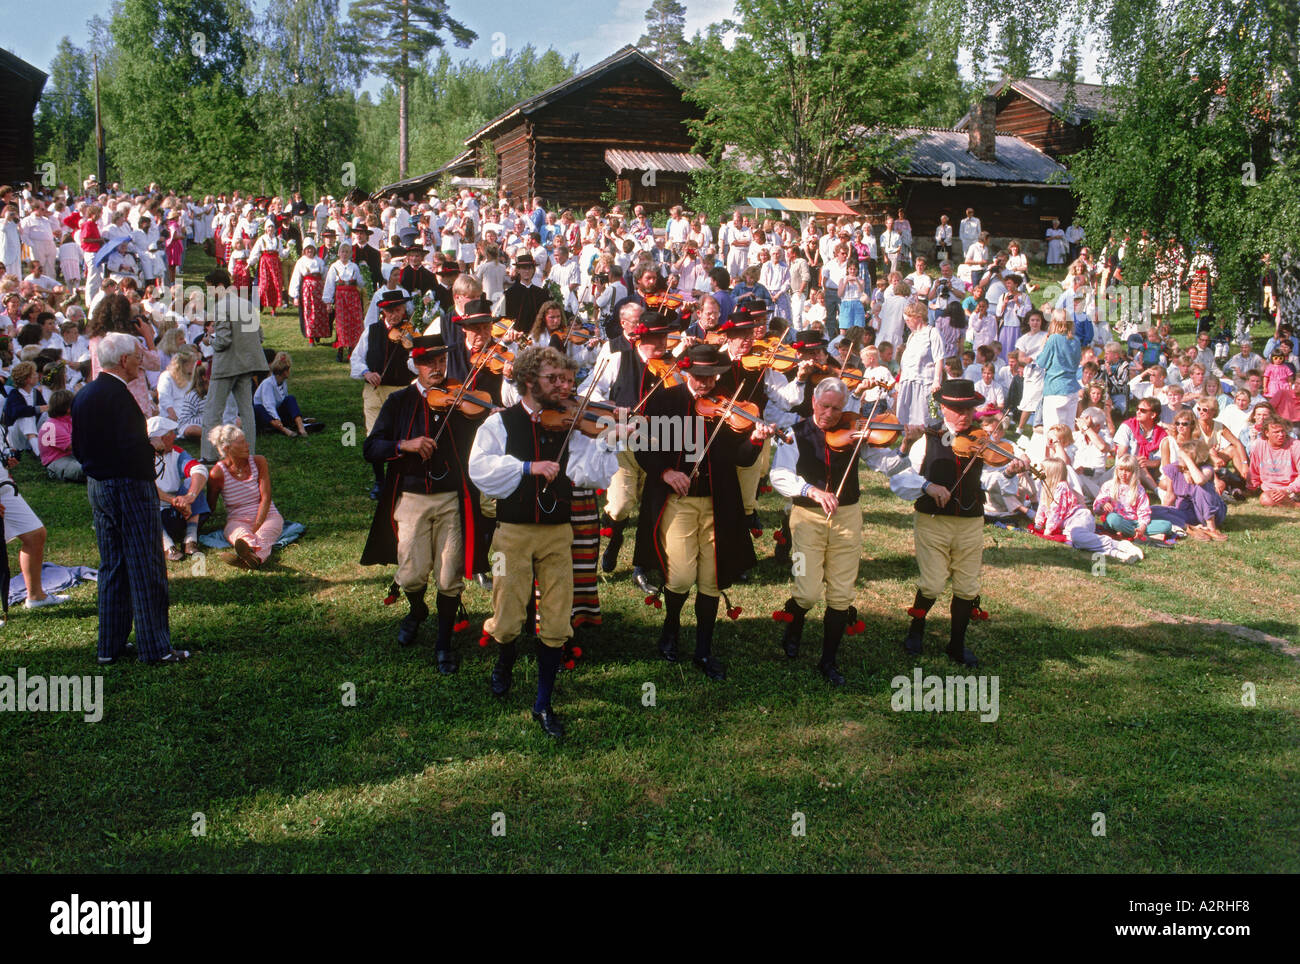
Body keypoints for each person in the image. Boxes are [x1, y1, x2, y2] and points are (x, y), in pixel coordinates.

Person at [468, 346, 620, 738]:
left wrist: (611, 439)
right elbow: (480, 470)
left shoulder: (574, 425)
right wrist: (525, 467)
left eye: (568, 380)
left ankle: (543, 702)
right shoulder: (500, 424)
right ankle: (504, 659)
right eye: (555, 379)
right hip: (512, 534)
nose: (565, 387)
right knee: (508, 611)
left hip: (558, 533)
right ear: (529, 380)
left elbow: (591, 475)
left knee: (556, 616)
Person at [633, 343, 774, 680]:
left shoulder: (728, 406)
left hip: (718, 503)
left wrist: (755, 439)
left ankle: (703, 650)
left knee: (712, 579)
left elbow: (741, 458)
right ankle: (670, 628)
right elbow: (642, 444)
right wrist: (666, 472)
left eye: (712, 377)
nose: (706, 383)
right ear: (686, 371)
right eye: (699, 376)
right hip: (677, 502)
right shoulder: (666, 400)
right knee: (680, 576)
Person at [361, 334, 485, 668]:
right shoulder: (399, 401)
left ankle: (444, 643)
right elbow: (371, 448)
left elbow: (488, 425)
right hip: (411, 498)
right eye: (430, 363)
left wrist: (492, 411)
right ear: (416, 365)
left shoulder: (459, 401)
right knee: (413, 575)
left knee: (449, 576)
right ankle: (417, 609)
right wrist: (404, 445)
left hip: (451, 500)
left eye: (442, 361)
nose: (438, 369)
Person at [890, 380, 1028, 666]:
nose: (964, 414)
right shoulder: (927, 439)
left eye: (968, 408)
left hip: (970, 520)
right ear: (943, 408)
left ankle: (956, 643)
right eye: (956, 408)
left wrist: (1010, 472)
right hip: (933, 521)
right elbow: (900, 481)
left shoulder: (982, 441)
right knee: (932, 582)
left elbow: (991, 478)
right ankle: (916, 627)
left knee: (967, 586)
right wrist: (928, 485)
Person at [72, 332, 190, 664]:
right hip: (129, 486)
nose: (141, 361)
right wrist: (151, 446)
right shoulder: (119, 396)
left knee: (112, 565)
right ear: (124, 360)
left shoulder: (84, 395)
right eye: (138, 356)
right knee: (146, 566)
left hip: (98, 486)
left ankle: (109, 647)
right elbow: (129, 446)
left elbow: (79, 449)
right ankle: (156, 648)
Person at [768, 377, 869, 685]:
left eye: (837, 409)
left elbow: (887, 459)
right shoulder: (794, 434)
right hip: (806, 518)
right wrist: (810, 490)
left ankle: (829, 660)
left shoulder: (854, 433)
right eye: (824, 406)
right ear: (813, 402)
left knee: (841, 594)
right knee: (808, 590)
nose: (830, 414)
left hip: (847, 517)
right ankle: (794, 623)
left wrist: (899, 441)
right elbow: (779, 475)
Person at [200, 269, 265, 464]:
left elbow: (224, 341)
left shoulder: (221, 306)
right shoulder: (246, 304)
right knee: (246, 411)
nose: (209, 294)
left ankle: (209, 454)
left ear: (219, 286)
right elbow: (260, 336)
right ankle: (249, 452)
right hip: (246, 365)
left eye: (209, 289)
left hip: (226, 366)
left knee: (213, 410)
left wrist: (210, 340)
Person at [206, 424, 284, 567]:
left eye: (245, 441)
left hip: (268, 515)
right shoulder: (217, 473)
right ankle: (252, 557)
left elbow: (266, 497)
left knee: (263, 536)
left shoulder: (259, 461)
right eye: (241, 443)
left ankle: (248, 557)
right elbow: (209, 505)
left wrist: (257, 525)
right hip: (237, 519)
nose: (247, 445)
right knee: (239, 535)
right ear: (227, 448)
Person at [1035, 457, 1143, 561]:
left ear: (1052, 473)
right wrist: (1038, 523)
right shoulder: (1045, 486)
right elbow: (1043, 505)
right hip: (1067, 524)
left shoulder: (1061, 487)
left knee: (1077, 536)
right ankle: (1118, 554)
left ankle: (1119, 545)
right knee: (1078, 542)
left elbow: (1056, 511)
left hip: (1079, 517)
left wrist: (1048, 529)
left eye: (1043, 470)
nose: (1040, 473)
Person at [149, 416, 209, 561]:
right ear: (160, 438)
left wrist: (190, 496)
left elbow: (198, 469)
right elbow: (146, 486)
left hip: (178, 510)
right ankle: (167, 545)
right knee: (143, 499)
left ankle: (190, 539)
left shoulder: (176, 452)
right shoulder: (141, 457)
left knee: (192, 483)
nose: (175, 436)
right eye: (171, 433)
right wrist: (174, 500)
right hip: (154, 512)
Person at [1094, 453, 1176, 541]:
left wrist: (1142, 527)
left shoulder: (1139, 489)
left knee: (1166, 525)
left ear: (1134, 472)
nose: (1123, 473)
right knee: (1112, 519)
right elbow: (1097, 507)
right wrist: (1102, 506)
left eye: (1127, 471)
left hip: (1134, 522)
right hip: (1117, 521)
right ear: (1116, 470)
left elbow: (1143, 511)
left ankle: (1130, 533)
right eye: (1121, 470)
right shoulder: (1108, 486)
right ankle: (1139, 535)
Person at [896, 302, 945, 442]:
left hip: (926, 383)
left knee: (932, 416)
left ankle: (937, 441)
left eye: (908, 319)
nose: (906, 323)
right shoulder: (911, 336)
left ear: (918, 317)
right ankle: (910, 443)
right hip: (909, 381)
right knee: (908, 417)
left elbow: (939, 358)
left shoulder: (932, 332)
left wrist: (936, 380)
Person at [1037, 310, 1083, 429]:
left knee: (1053, 432)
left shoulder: (1053, 339)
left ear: (1054, 322)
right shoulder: (1076, 340)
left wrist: (1043, 346)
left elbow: (1041, 362)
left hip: (1055, 389)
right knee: (1069, 431)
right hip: (1072, 389)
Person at [254, 351, 313, 438]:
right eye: (288, 369)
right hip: (265, 415)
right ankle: (283, 429)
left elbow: (284, 399)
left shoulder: (283, 382)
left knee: (290, 398)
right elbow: (269, 405)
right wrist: (277, 419)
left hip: (277, 412)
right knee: (258, 408)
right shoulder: (268, 383)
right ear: (284, 371)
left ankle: (301, 426)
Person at [1248, 415, 1300, 508]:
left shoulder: (1296, 445)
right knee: (1265, 499)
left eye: (1283, 431)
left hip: (1293, 489)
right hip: (1270, 490)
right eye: (1276, 432)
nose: (1281, 434)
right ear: (1267, 433)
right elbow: (1253, 471)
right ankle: (1294, 504)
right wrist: (1250, 489)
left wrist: (1288, 490)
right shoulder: (1258, 445)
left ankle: (1293, 503)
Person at [37, 388, 83, 482]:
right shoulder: (51, 426)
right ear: (68, 409)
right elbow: (75, 446)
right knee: (85, 469)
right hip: (56, 462)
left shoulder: (68, 420)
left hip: (71, 457)